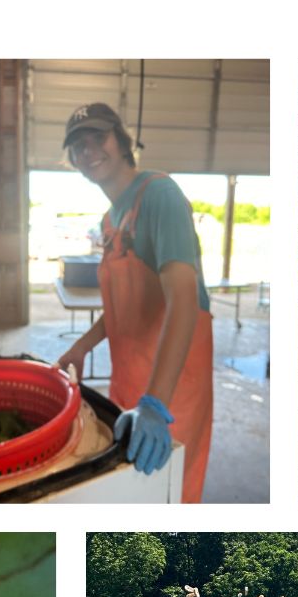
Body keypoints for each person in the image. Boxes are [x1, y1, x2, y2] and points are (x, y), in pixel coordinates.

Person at [54, 103, 215, 503]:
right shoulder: (111, 219)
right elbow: (125, 305)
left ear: (122, 142)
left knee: (167, 493)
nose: (88, 150)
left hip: (171, 384)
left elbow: (182, 298)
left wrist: (157, 403)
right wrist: (83, 345)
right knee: (129, 492)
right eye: (78, 145)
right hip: (128, 380)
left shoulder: (158, 195)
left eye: (98, 137)